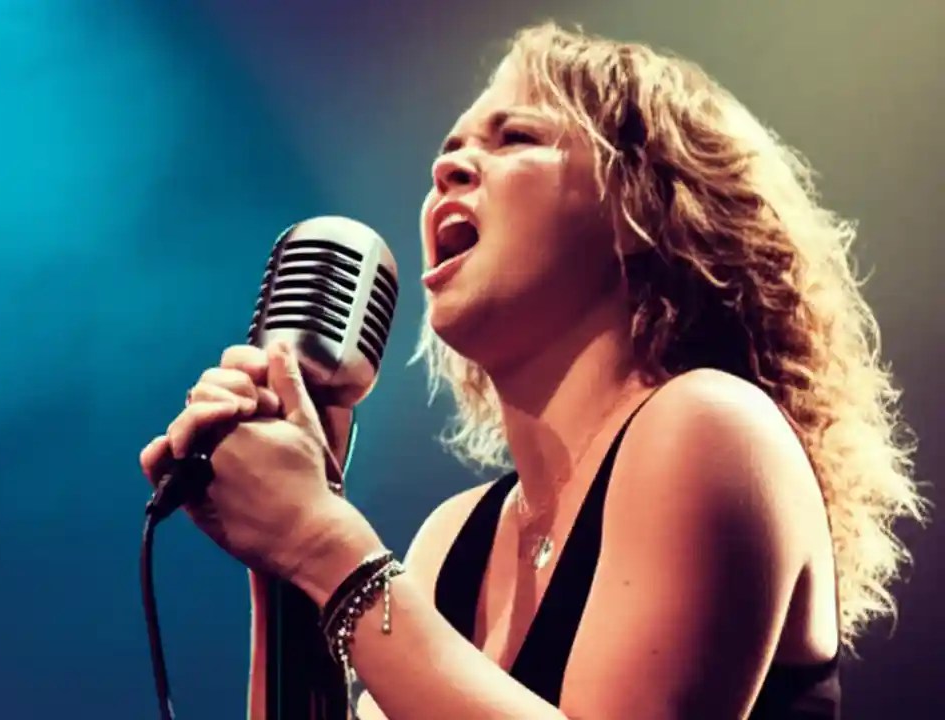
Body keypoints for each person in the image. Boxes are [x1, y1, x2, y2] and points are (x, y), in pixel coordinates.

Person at [138, 21, 925, 719]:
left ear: (644, 209)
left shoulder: (714, 427)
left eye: (513, 138)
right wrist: (286, 570)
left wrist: (323, 543)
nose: (448, 170)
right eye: (446, 154)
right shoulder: (454, 541)